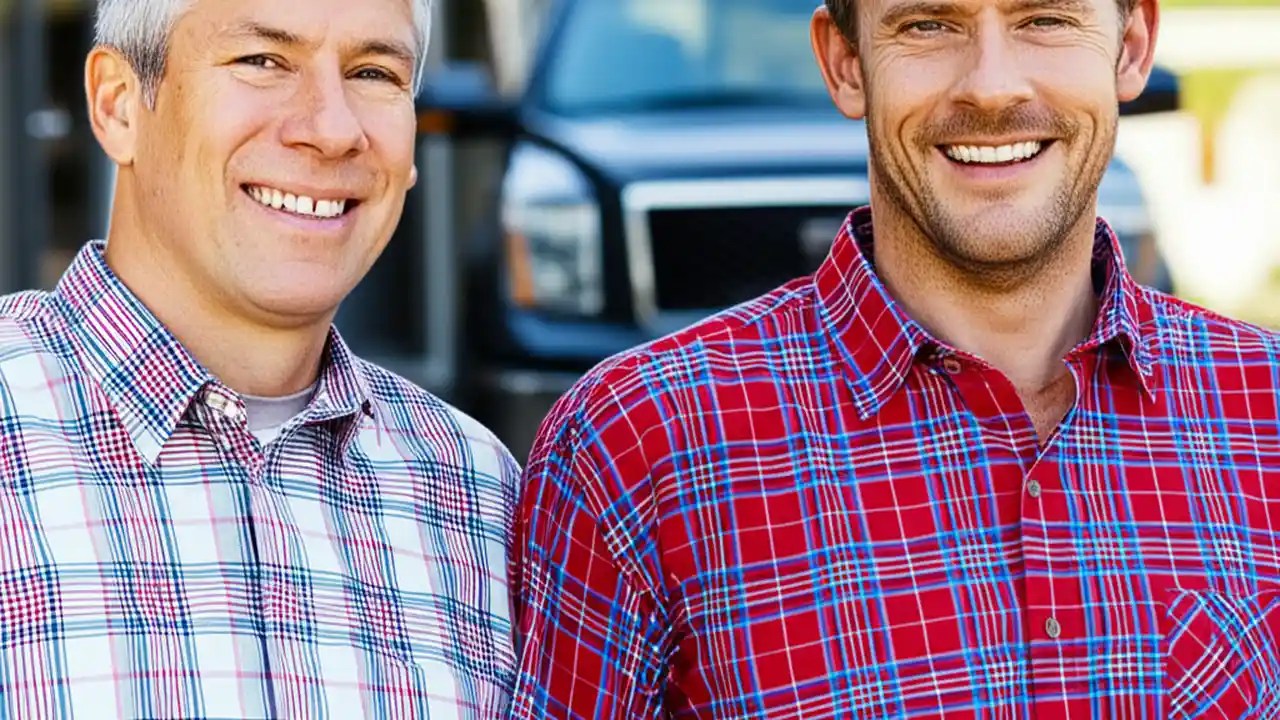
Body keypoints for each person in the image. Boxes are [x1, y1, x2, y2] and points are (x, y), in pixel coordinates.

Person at [508, 0, 1280, 716]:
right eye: (927, 24)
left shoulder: (1266, 408)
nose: (991, 86)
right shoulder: (636, 445)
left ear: (1132, 45)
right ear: (845, 61)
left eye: (1044, 17)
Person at [0, 0, 518, 716]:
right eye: (263, 61)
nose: (333, 130)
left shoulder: (482, 497)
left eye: (373, 72)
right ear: (118, 105)